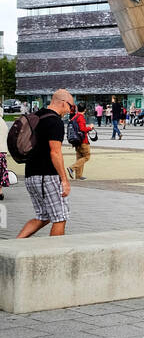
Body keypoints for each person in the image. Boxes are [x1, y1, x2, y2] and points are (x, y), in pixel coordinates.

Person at [15, 89, 72, 238]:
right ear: (63, 103)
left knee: (43, 216)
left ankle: (15, 246)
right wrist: (64, 180)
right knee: (60, 217)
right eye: (70, 106)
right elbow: (55, 152)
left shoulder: (36, 116)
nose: (70, 111)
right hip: (47, 176)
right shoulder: (55, 122)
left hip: (31, 174)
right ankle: (55, 255)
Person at [68, 102, 95, 181]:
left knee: (79, 157)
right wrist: (90, 127)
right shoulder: (81, 117)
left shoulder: (74, 117)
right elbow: (82, 129)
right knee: (86, 157)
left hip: (76, 141)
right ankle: (71, 168)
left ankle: (79, 176)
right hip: (83, 140)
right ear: (85, 110)